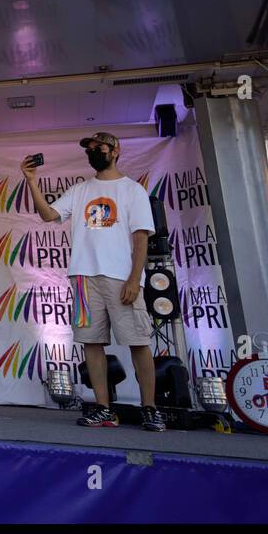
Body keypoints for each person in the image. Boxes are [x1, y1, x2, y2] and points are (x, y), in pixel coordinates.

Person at [22, 132, 164, 431]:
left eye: (99, 147)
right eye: (89, 149)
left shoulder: (132, 190)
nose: (93, 152)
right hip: (84, 278)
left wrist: (134, 279)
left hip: (121, 276)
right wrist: (32, 181)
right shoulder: (80, 190)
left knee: (138, 342)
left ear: (115, 151)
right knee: (91, 342)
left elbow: (141, 238)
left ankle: (150, 408)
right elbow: (48, 215)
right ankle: (103, 408)